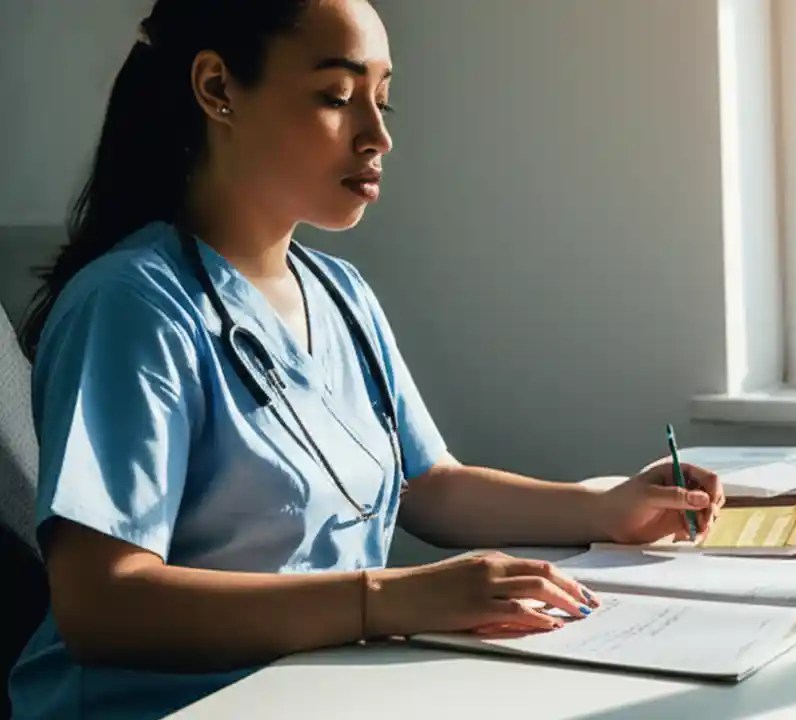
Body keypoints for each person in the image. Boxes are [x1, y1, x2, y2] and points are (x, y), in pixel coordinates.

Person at [8, 1, 724, 718]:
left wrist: (608, 509)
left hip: (312, 692)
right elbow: (101, 603)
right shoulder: (132, 306)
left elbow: (430, 485)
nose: (377, 135)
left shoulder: (341, 293)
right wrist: (390, 598)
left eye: (383, 101)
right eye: (337, 97)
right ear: (218, 89)